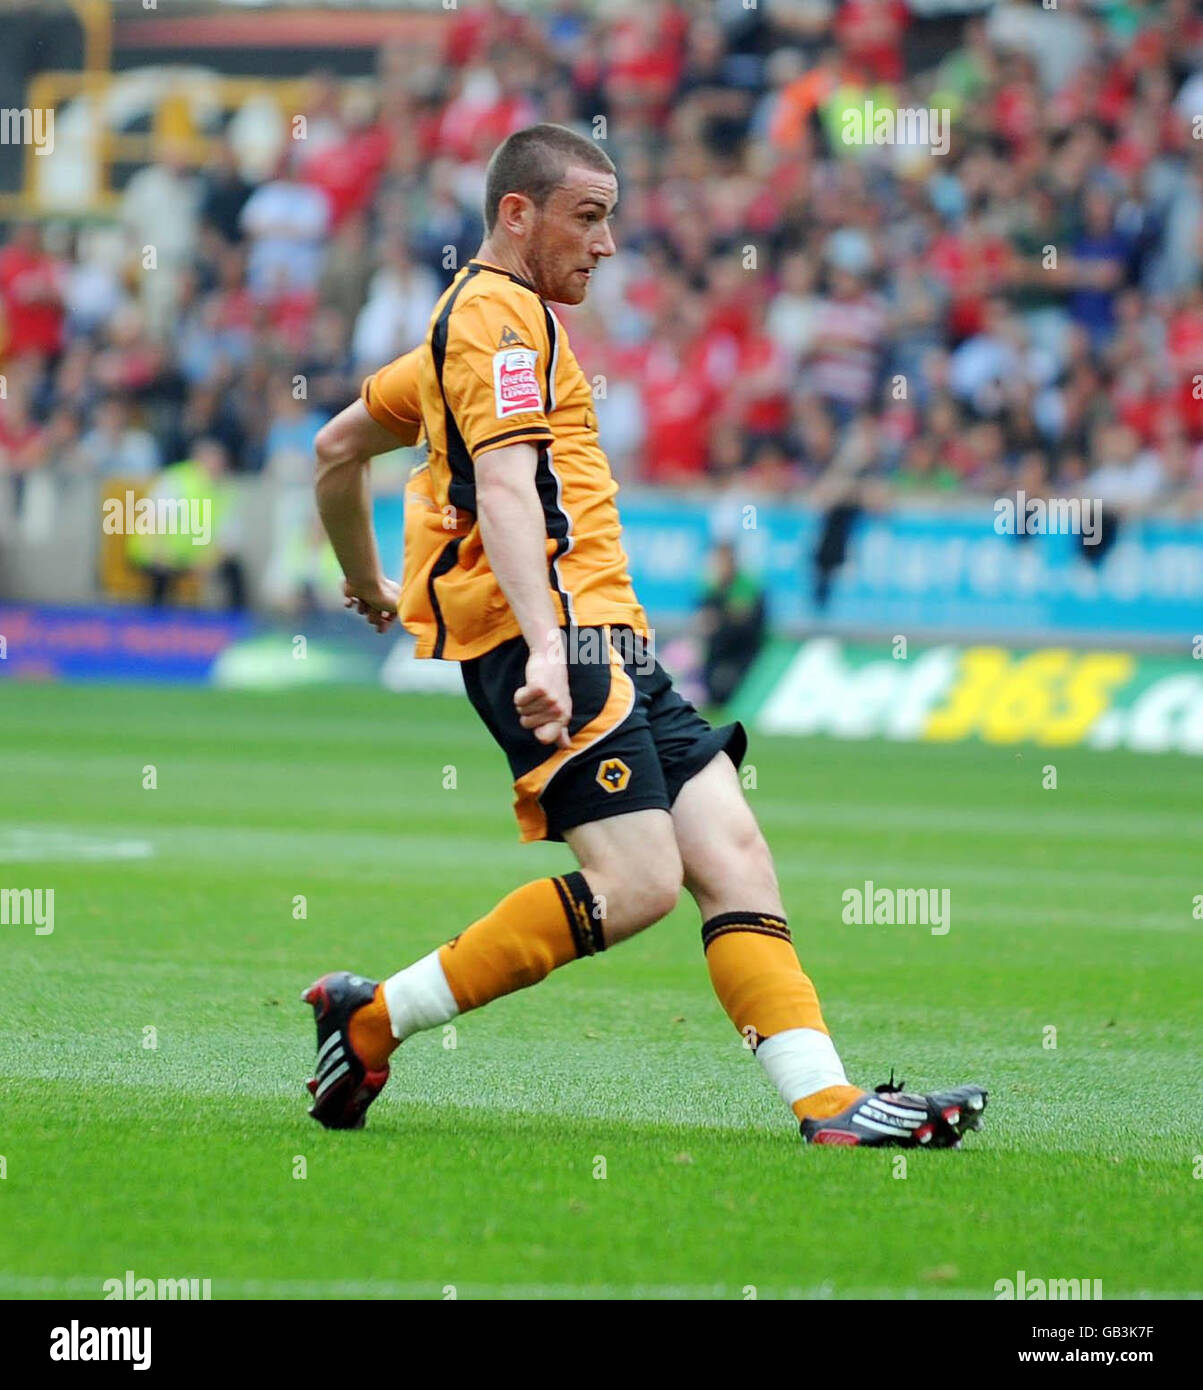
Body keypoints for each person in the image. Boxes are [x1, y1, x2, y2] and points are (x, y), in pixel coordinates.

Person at [304, 123, 986, 1147]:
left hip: (610, 643)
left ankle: (828, 1103)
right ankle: (370, 1018)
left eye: (611, 219)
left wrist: (366, 581)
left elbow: (335, 446)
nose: (607, 243)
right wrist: (543, 642)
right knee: (638, 885)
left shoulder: (485, 327)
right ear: (516, 213)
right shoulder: (496, 318)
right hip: (562, 644)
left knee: (735, 855)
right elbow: (501, 486)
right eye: (587, 217)